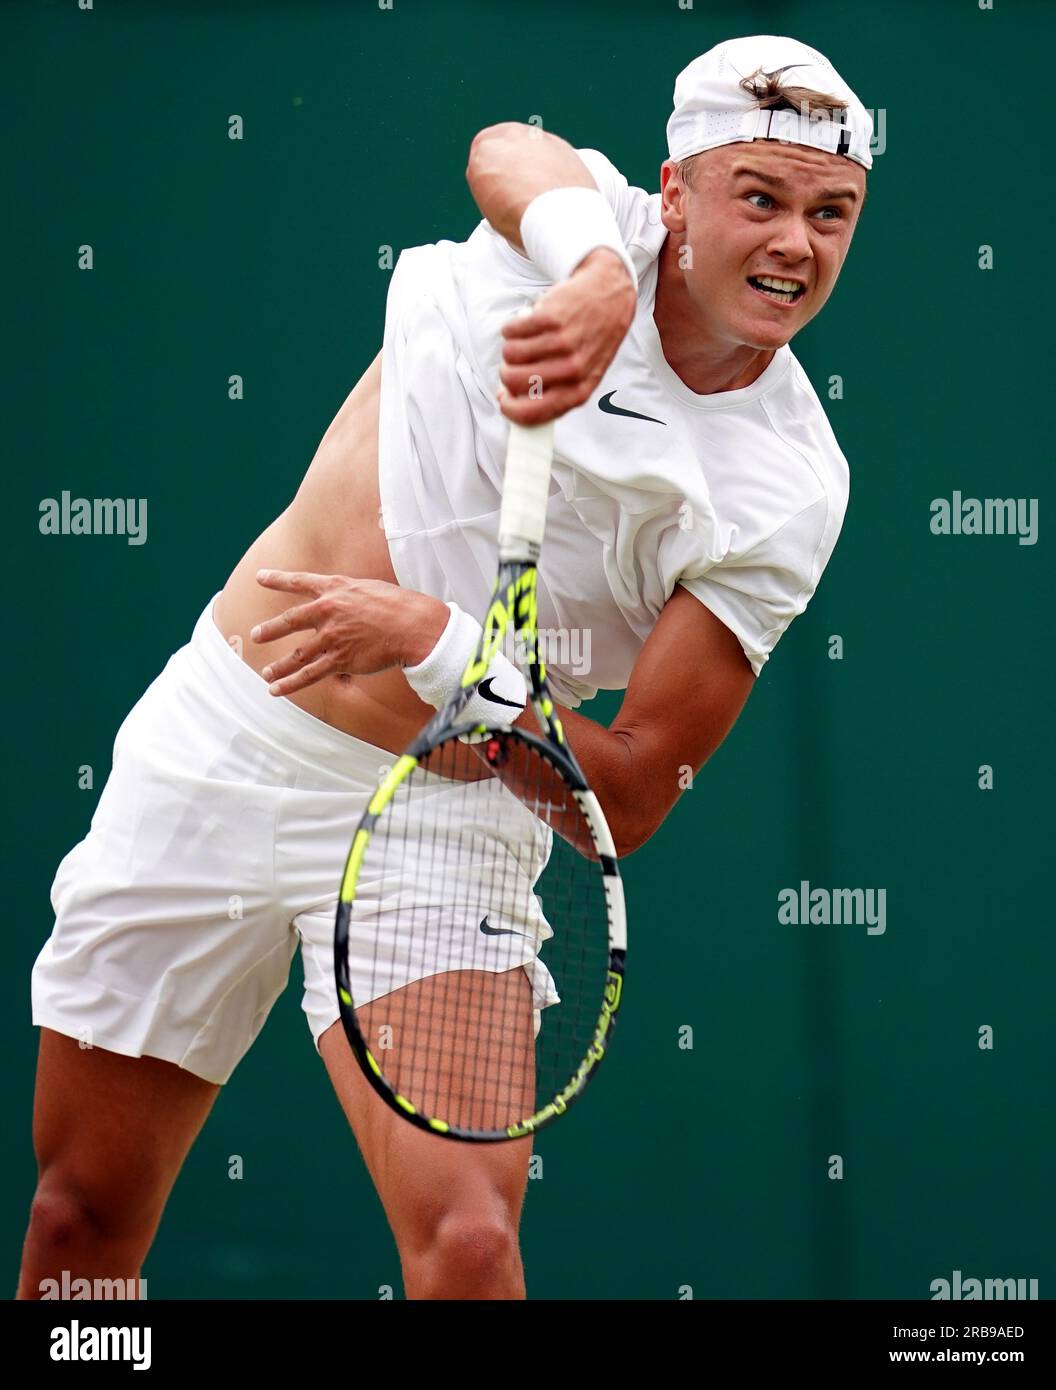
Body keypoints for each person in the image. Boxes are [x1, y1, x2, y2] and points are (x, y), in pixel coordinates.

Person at [20, 34, 873, 1300]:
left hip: (446, 813)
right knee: (82, 1222)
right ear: (672, 194)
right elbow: (500, 150)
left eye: (831, 213)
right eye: (761, 198)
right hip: (225, 737)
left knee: (469, 1246)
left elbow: (630, 790)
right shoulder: (571, 218)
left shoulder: (790, 485)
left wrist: (433, 650)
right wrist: (591, 271)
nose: (797, 243)